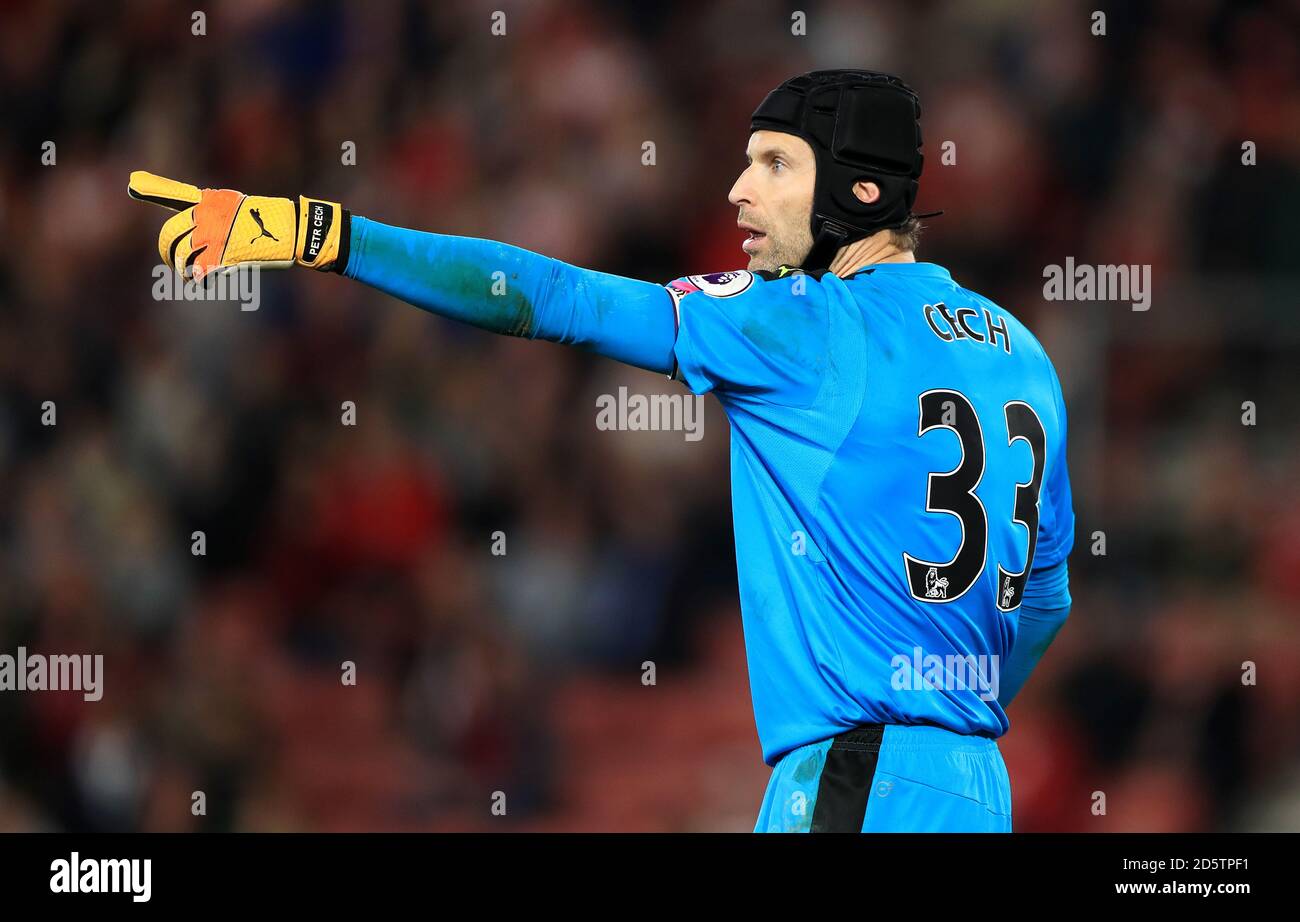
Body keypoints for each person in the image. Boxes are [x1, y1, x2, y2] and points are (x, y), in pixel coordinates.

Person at [128, 69, 1075, 833]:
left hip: (854, 780)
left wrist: (322, 235)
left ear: (860, 190)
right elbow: (1043, 599)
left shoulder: (799, 322)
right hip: (973, 788)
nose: (740, 191)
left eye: (776, 165)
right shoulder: (1026, 358)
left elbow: (547, 297)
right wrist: (947, 711)